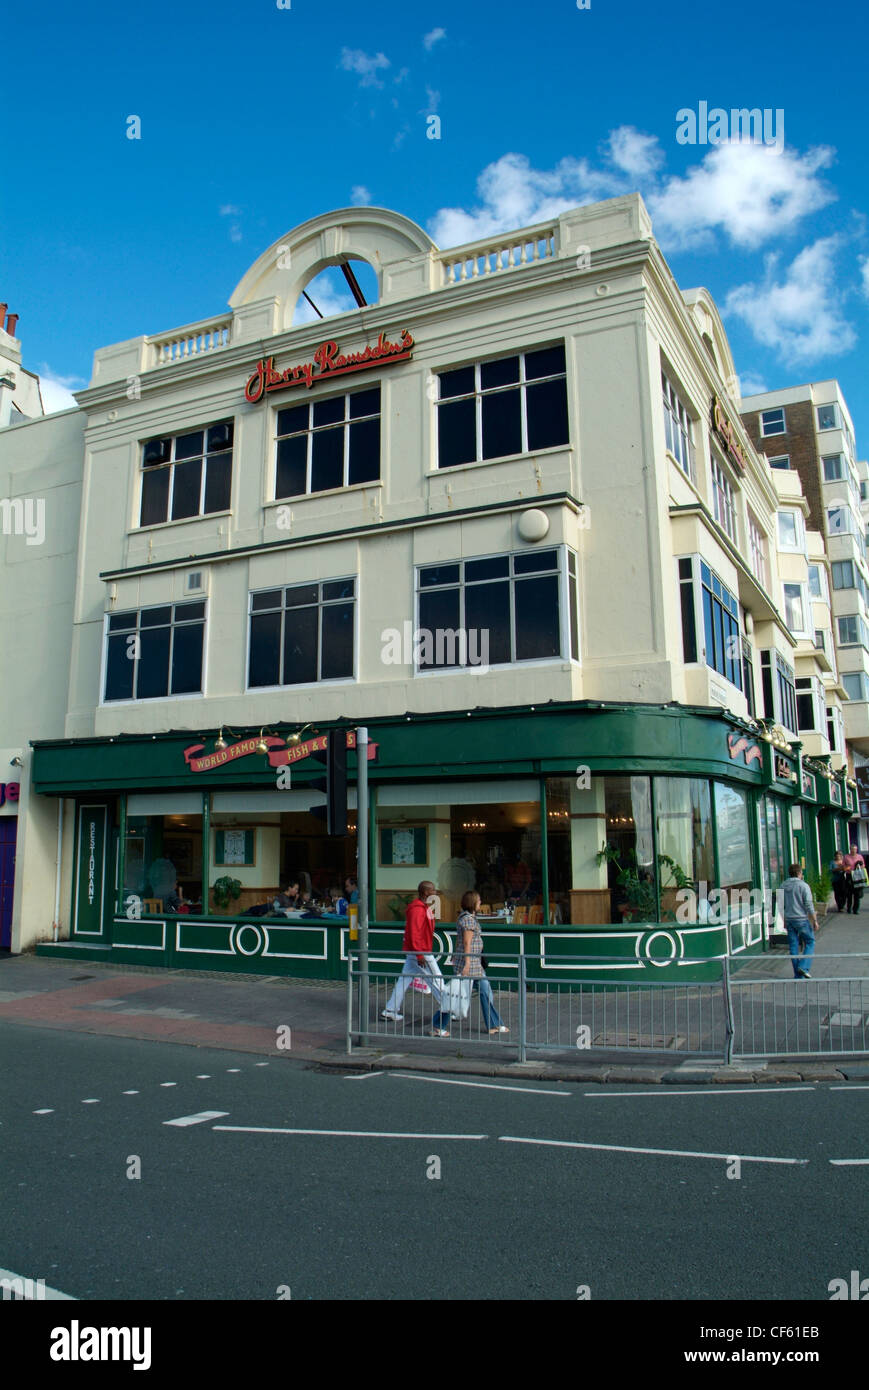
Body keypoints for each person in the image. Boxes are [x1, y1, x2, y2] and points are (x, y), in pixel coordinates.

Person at [381, 880, 446, 1024]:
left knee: (404, 980)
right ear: (426, 892)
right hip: (421, 951)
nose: (435, 892)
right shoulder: (418, 909)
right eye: (433, 890)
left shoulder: (421, 907)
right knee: (436, 978)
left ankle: (390, 1010)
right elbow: (415, 932)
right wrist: (420, 954)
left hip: (416, 951)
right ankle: (449, 1008)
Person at [452, 890, 508, 1035]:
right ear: (473, 903)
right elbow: (466, 942)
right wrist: (468, 963)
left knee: (484, 991)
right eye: (478, 901)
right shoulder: (469, 920)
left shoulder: (464, 917)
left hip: (473, 963)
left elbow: (462, 941)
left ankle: (494, 1024)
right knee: (464, 994)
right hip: (471, 964)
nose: (480, 902)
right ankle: (439, 1023)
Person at [780, 863, 819, 980]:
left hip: (789, 919)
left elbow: (780, 905)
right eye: (801, 873)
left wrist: (783, 920)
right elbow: (808, 904)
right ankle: (804, 966)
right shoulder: (803, 886)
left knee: (793, 946)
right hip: (801, 919)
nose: (802, 875)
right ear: (798, 873)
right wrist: (814, 920)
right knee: (810, 941)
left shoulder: (782, 885)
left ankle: (798, 974)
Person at [843, 844, 867, 914]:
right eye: (852, 849)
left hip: (858, 875)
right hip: (849, 875)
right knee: (849, 893)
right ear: (850, 849)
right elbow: (843, 866)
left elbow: (863, 865)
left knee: (857, 894)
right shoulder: (846, 857)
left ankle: (855, 909)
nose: (854, 851)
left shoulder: (859, 856)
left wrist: (860, 866)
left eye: (855, 849)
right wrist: (847, 868)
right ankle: (849, 908)